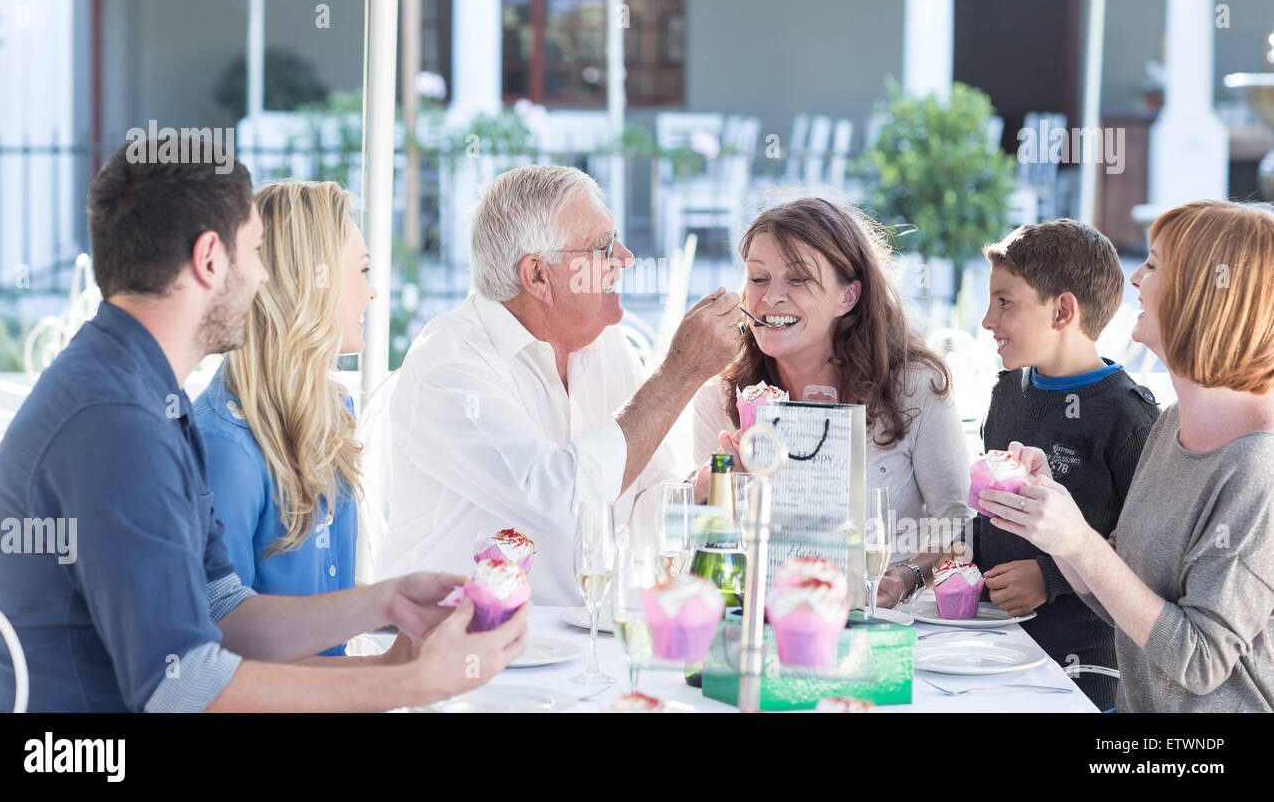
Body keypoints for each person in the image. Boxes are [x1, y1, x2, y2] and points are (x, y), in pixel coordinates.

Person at [0, 141, 525, 712]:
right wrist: (410, 686)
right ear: (210, 258)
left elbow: (223, 609)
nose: (266, 278)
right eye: (257, 250)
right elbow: (183, 688)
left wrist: (386, 603)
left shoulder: (145, 392)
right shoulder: (117, 424)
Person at [377, 164, 744, 605]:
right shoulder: (450, 364)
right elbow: (561, 503)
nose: (625, 258)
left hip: (570, 645)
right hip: (452, 648)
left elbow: (638, 513)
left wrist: (702, 493)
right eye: (602, 247)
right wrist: (678, 375)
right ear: (536, 275)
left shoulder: (604, 344)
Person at [984, 200, 1274, 712]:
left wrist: (1079, 542)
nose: (1136, 277)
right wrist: (1057, 521)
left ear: (1209, 297)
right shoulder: (1171, 426)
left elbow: (1200, 660)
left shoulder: (1259, 466)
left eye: (1156, 264)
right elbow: (1118, 596)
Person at [691, 197, 971, 606]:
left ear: (848, 297)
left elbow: (956, 523)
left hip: (881, 624)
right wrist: (713, 489)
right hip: (763, 624)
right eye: (758, 278)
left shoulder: (914, 386)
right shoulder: (719, 397)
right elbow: (709, 551)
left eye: (799, 279)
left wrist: (909, 576)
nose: (771, 297)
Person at [973, 219, 1159, 710]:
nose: (987, 320)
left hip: (1086, 671)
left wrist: (1048, 578)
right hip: (993, 647)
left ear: (1062, 311)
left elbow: (1146, 564)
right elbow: (990, 518)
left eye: (1004, 301)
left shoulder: (1129, 415)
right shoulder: (1007, 393)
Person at [194, 181, 373, 656]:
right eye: (361, 271)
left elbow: (322, 604)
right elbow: (220, 654)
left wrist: (403, 615)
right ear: (310, 282)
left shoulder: (335, 413)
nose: (372, 292)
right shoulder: (224, 447)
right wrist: (390, 675)